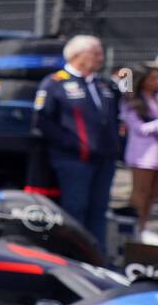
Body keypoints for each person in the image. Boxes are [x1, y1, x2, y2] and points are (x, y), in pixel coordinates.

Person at [32, 35, 120, 251]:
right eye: (96, 53)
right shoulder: (55, 83)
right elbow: (42, 121)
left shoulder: (105, 84)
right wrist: (73, 144)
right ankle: (73, 255)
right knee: (75, 209)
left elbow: (118, 114)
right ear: (78, 55)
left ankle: (98, 256)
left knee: (99, 210)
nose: (101, 58)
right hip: (73, 160)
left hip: (104, 160)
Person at [119, 62, 158, 245]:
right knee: (140, 192)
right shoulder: (131, 100)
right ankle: (133, 229)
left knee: (156, 192)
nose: (156, 82)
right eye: (152, 78)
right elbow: (140, 128)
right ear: (142, 80)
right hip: (143, 155)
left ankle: (143, 225)